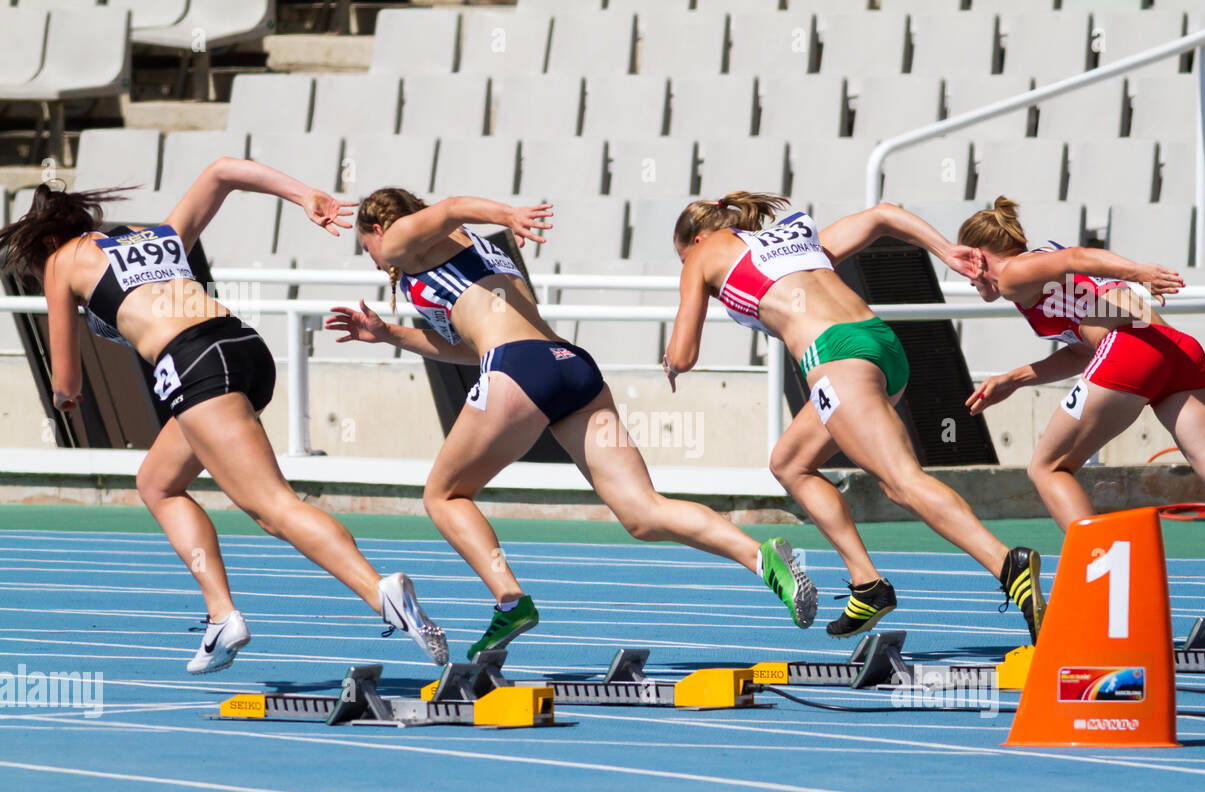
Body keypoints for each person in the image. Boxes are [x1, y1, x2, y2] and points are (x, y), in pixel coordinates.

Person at [324, 187, 816, 660]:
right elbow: (468, 347)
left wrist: (508, 215)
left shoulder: (397, 239)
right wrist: (389, 333)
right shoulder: (454, 252)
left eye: (364, 245)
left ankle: (510, 601)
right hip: (571, 368)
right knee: (643, 513)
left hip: (518, 369)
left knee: (444, 495)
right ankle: (762, 557)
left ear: (375, 226)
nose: (371, 256)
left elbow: (453, 207)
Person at [0, 163, 446, 673]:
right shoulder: (161, 234)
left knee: (274, 508)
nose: (40, 275)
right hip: (242, 350)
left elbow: (67, 380)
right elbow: (221, 173)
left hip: (195, 365)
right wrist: (304, 196)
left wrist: (64, 400)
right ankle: (220, 617)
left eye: (32, 266)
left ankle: (380, 592)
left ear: (49, 240)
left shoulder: (60, 261)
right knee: (157, 482)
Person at [665, 192, 1045, 642]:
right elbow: (884, 214)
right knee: (790, 463)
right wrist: (946, 251)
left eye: (682, 256)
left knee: (903, 482)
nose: (687, 266)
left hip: (836, 359)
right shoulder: (794, 239)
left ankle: (1008, 565)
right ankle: (867, 584)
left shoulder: (703, 254)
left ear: (700, 237)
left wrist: (669, 360)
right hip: (879, 346)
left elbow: (684, 354)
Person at [952, 195, 1205, 540]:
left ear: (978, 256)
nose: (967, 279)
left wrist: (1139, 273)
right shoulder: (1035, 276)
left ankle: (1102, 574)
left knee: (1047, 468)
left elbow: (1077, 258)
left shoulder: (1012, 274)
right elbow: (1081, 352)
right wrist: (1015, 378)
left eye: (963, 266)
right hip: (1174, 349)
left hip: (1130, 348)